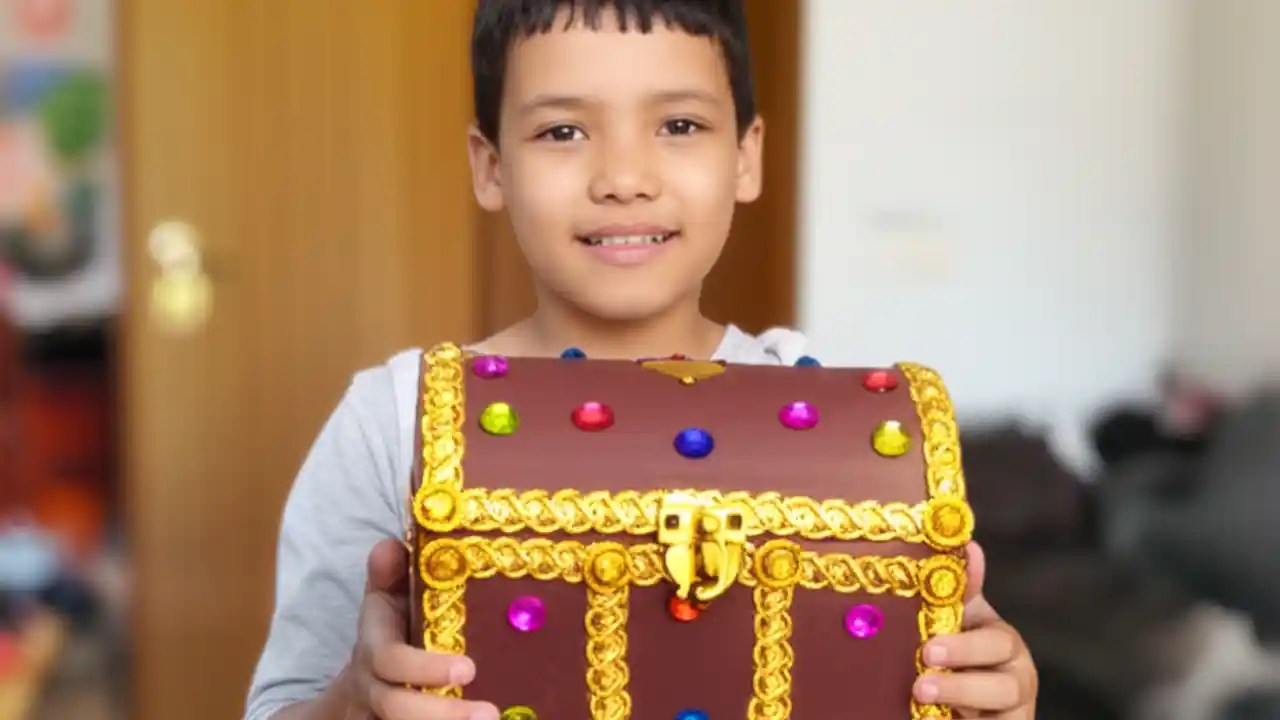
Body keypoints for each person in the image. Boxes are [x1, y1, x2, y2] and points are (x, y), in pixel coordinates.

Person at [245, 2, 1039, 718]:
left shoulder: (842, 426)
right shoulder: (395, 420)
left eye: (680, 126)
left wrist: (990, 694)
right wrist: (350, 704)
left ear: (747, 156)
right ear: (490, 167)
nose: (624, 180)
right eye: (563, 132)